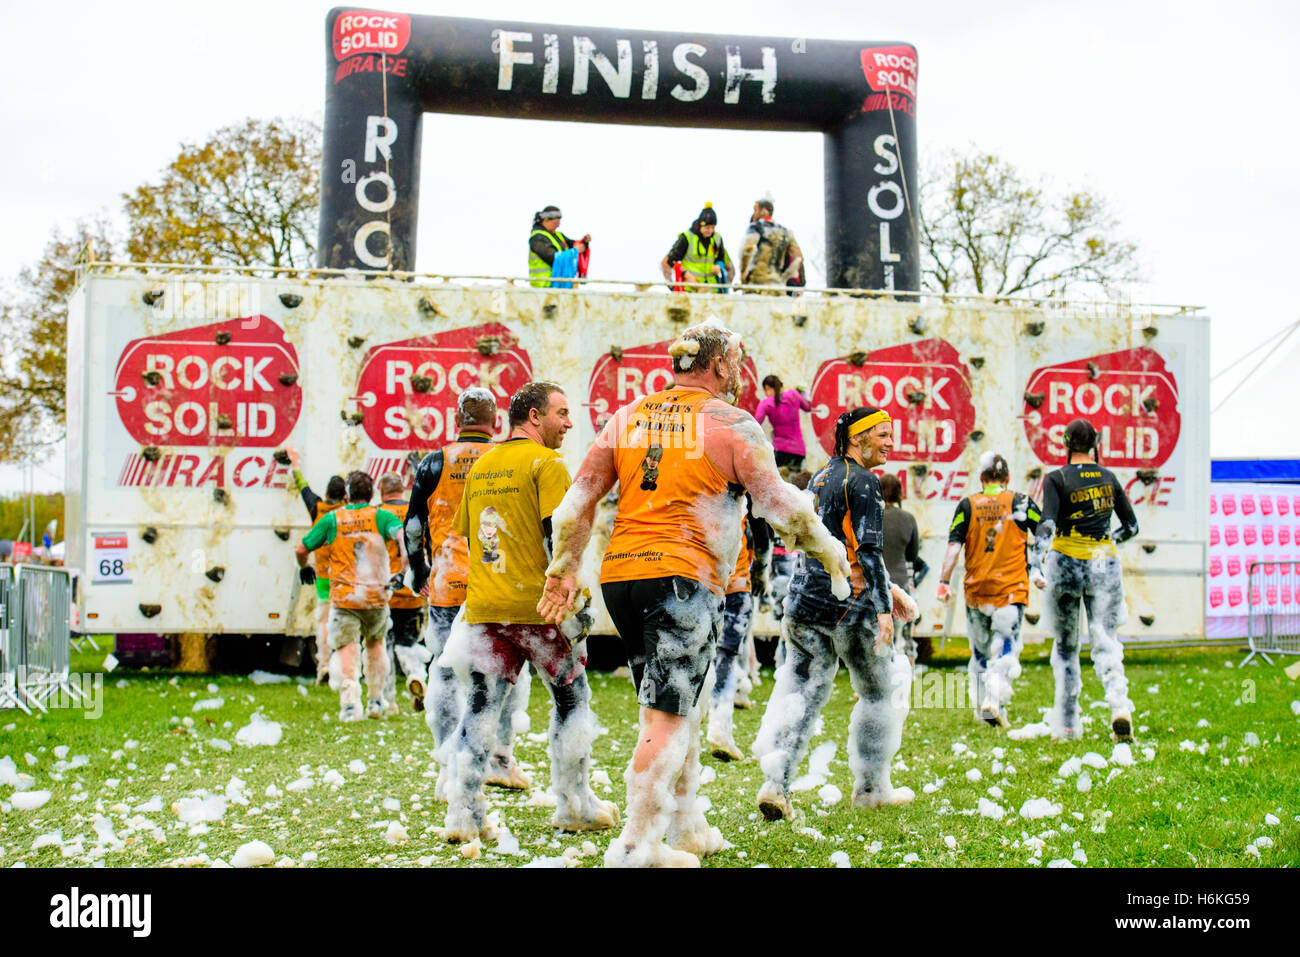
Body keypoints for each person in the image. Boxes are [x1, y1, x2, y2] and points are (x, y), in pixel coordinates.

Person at [538, 317, 854, 868]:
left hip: (623, 577)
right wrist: (834, 557)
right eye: (738, 361)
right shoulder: (731, 422)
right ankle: (637, 847)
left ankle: (686, 825)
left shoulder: (627, 417)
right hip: (682, 579)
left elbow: (578, 501)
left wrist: (564, 567)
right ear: (720, 365)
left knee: (670, 704)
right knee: (669, 714)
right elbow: (784, 508)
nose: (743, 372)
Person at [439, 381, 618, 843]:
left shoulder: (482, 466)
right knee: (572, 698)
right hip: (540, 608)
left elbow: (468, 535)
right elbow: (557, 537)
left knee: (480, 707)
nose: (569, 422)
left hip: (484, 607)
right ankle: (575, 804)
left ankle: (463, 814)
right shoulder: (548, 463)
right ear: (534, 417)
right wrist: (572, 598)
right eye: (561, 412)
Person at [752, 406, 918, 821]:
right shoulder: (864, 481)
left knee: (800, 694)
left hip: (806, 601)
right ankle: (872, 789)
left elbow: (830, 545)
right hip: (852, 607)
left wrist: (889, 590)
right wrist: (883, 607)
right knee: (879, 693)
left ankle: (776, 785)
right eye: (882, 434)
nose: (890, 442)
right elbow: (867, 549)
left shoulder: (822, 476)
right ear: (858, 438)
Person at [404, 387, 532, 793]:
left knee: (443, 673)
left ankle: (447, 768)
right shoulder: (506, 458)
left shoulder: (434, 461)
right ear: (496, 421)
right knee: (506, 674)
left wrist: (420, 568)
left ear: (456, 419)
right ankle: (500, 759)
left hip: (448, 583)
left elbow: (412, 527)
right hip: (498, 583)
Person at [1030, 419, 1139, 742]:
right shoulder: (1109, 476)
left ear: (1066, 444)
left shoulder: (1056, 477)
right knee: (1107, 640)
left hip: (1064, 561)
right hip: (1103, 563)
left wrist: (1036, 564)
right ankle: (1120, 707)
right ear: (1094, 444)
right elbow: (1131, 526)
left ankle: (1066, 726)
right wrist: (1106, 545)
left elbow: (1047, 524)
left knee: (1065, 648)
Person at [935, 453, 1040, 728]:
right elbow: (1044, 532)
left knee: (980, 653)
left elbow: (953, 547)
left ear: (981, 479)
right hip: (1011, 590)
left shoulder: (967, 505)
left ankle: (985, 708)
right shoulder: (1020, 502)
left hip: (976, 591)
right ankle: (994, 701)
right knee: (1006, 648)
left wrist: (944, 582)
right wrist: (1041, 568)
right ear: (1007, 479)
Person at [295, 470, 407, 722]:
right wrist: (404, 568)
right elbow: (402, 535)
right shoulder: (381, 516)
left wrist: (304, 566)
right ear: (372, 494)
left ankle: (350, 705)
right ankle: (376, 700)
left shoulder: (333, 519)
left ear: (347, 495)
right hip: (375, 595)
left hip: (345, 597)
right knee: (375, 644)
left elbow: (302, 548)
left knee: (347, 647)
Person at [288, 453, 345, 684]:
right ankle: (343, 667)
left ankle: (323, 665)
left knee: (323, 622)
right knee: (345, 621)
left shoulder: (316, 507)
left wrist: (294, 465)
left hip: (322, 574)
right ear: (344, 495)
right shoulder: (349, 511)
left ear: (327, 492)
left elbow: (303, 487)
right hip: (345, 576)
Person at [705, 508, 755, 761]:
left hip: (700, 584)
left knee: (695, 656)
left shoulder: (700, 490)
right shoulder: (744, 501)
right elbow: (761, 541)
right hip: (736, 586)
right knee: (725, 656)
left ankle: (686, 732)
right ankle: (720, 728)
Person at [376, 472, 428, 715]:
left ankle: (389, 701)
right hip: (411, 588)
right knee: (408, 643)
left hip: (385, 589)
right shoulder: (414, 511)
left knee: (384, 646)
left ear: (381, 491)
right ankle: (416, 675)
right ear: (402, 489)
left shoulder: (378, 515)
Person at [880, 473, 928, 666]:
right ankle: (907, 675)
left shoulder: (871, 517)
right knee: (904, 638)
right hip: (901, 586)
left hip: (876, 586)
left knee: (878, 636)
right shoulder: (908, 519)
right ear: (899, 494)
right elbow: (912, 554)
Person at [660, 202, 734, 292]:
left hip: (712, 292)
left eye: (713, 227)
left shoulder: (717, 239)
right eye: (707, 227)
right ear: (700, 225)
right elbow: (668, 262)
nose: (710, 231)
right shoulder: (687, 238)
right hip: (690, 291)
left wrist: (718, 265)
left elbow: (723, 260)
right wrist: (682, 277)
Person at [739, 197, 803, 292]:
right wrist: (785, 277)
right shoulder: (785, 232)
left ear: (764, 211)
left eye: (755, 210)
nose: (754, 214)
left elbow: (748, 249)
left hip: (756, 283)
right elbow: (799, 258)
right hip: (777, 284)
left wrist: (744, 273)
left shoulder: (755, 227)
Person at [753, 375, 812, 477]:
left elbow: (756, 423)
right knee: (798, 487)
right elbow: (808, 407)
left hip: (780, 451)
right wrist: (805, 395)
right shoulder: (794, 395)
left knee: (779, 487)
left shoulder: (765, 404)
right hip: (798, 451)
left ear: (767, 388)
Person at [528, 205, 590, 289]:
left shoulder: (558, 236)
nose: (556, 227)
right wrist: (575, 251)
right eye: (555, 223)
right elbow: (552, 257)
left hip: (560, 284)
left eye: (558, 224)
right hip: (544, 286)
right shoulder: (537, 238)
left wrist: (584, 242)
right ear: (545, 220)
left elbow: (575, 245)